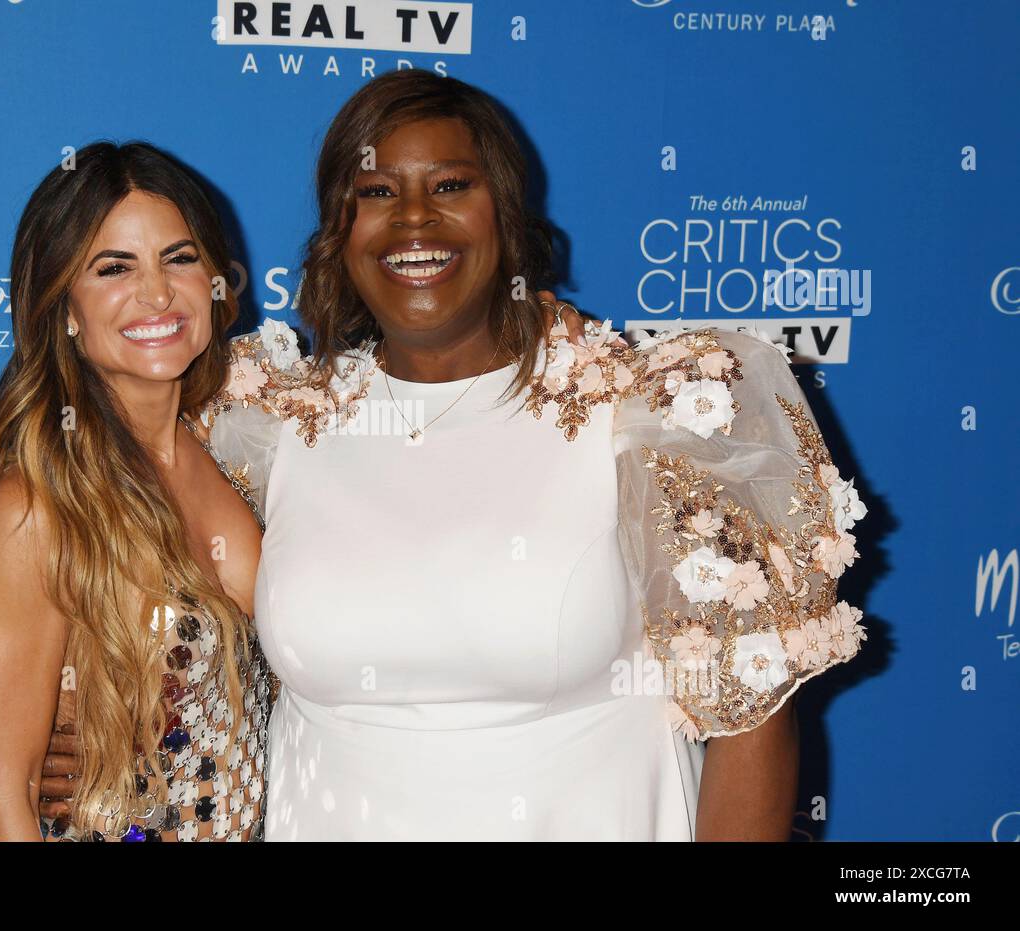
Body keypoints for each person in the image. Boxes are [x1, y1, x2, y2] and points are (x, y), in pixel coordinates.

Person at [45, 71, 868, 840]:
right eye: (376, 193)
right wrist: (93, 728)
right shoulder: (260, 423)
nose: (413, 220)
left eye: (450, 186)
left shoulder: (656, 412)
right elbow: (157, 601)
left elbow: (755, 726)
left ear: (505, 214)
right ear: (341, 230)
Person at [0, 141, 273, 841]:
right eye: (114, 268)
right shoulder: (36, 510)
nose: (156, 293)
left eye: (179, 258)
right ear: (65, 308)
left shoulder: (241, 453)